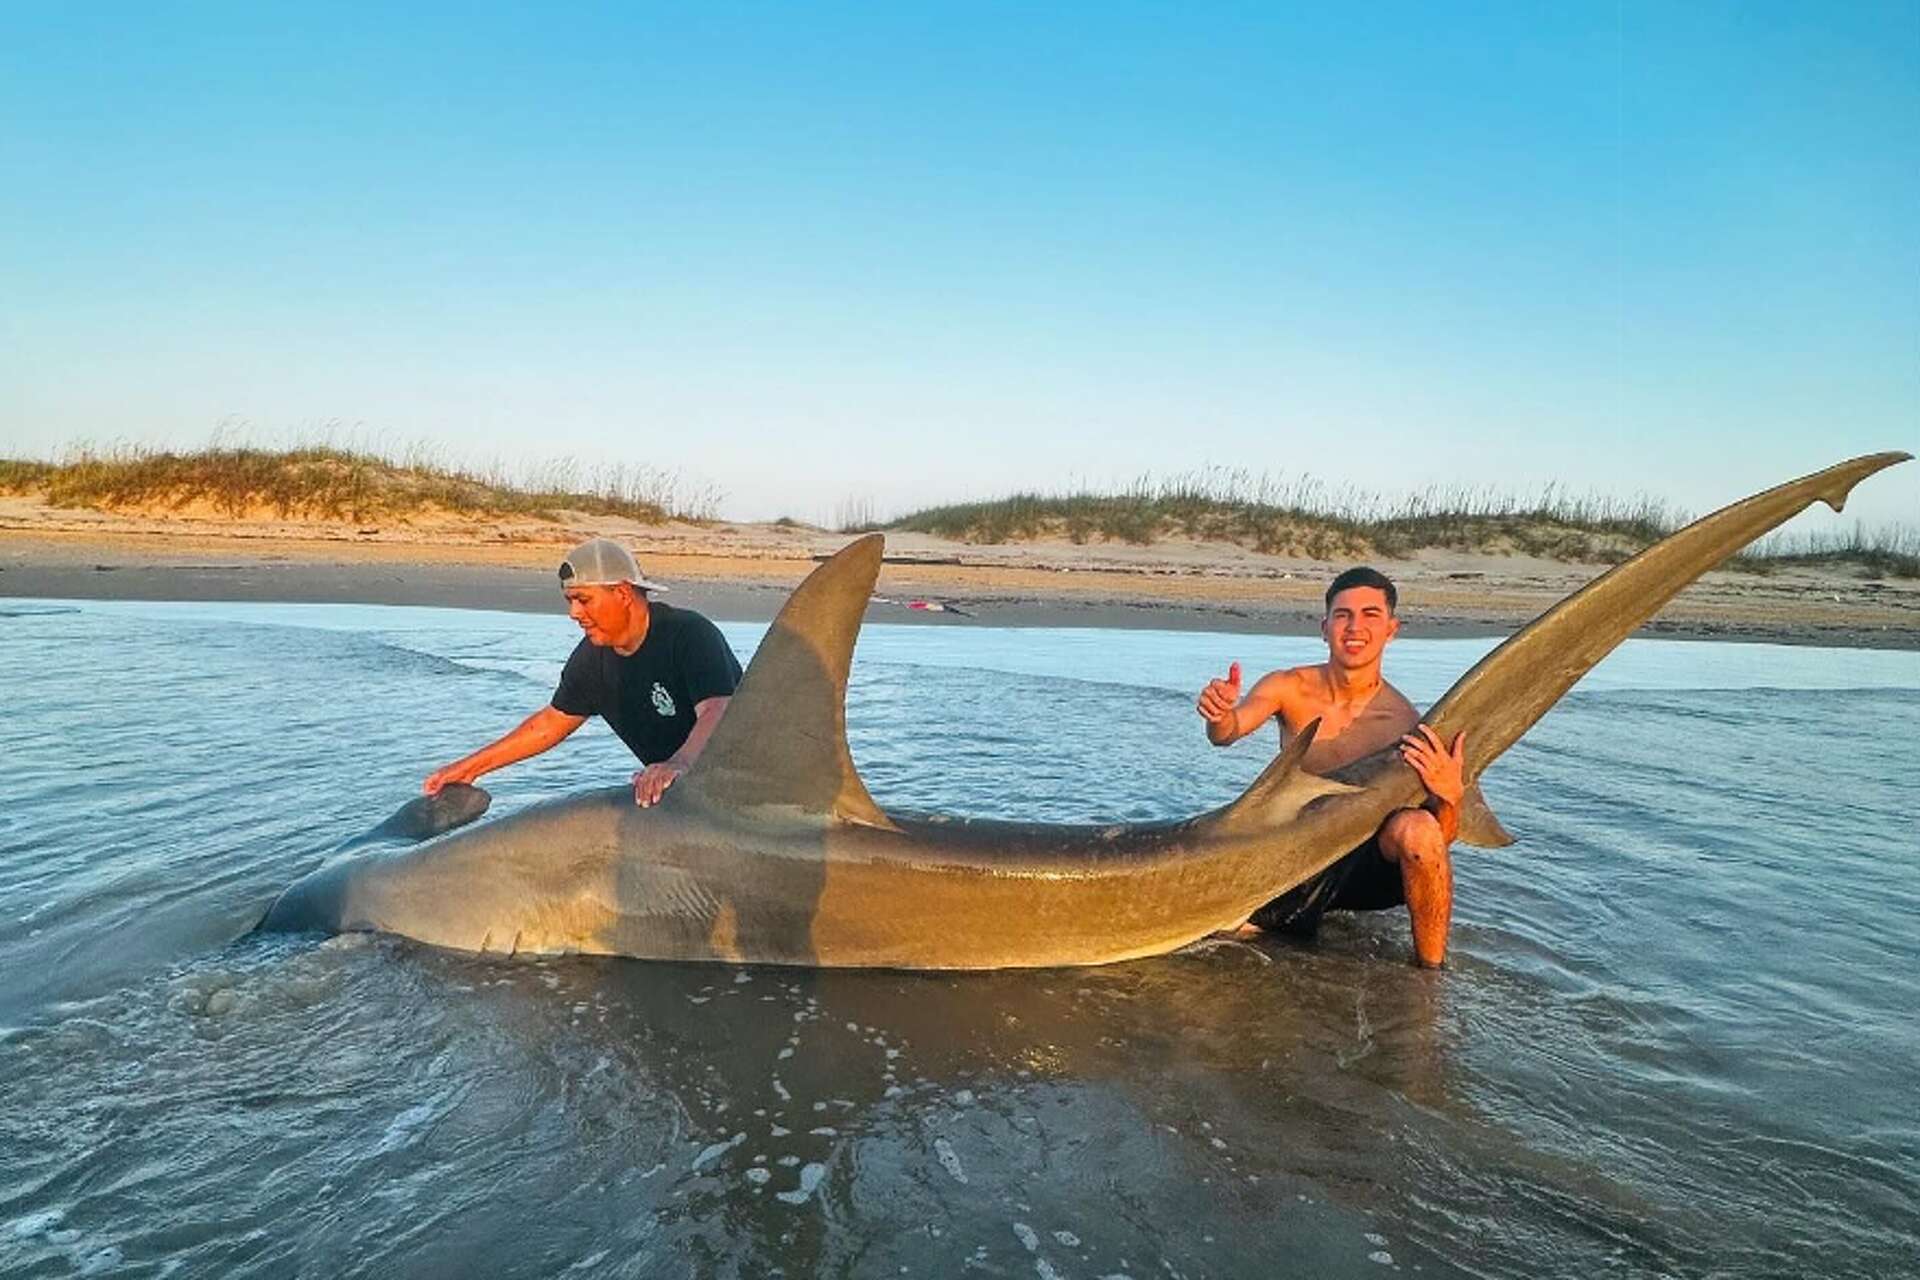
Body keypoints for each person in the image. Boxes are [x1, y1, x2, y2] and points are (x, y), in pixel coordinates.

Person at [1195, 566, 1465, 967]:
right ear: (1325, 627)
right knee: (1214, 942)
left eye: (1370, 615)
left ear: (1392, 628)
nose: (1355, 627)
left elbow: (1440, 839)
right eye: (1343, 615)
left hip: (1366, 864)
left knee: (1420, 830)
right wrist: (1220, 715)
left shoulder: (1405, 723)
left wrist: (1450, 798)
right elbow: (1228, 732)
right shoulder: (1288, 687)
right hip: (1297, 856)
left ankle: (1431, 973)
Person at [424, 538, 742, 808]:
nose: (574, 613)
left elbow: (718, 709)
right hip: (681, 799)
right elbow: (550, 725)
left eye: (583, 599)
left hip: (744, 784)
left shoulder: (687, 634)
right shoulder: (592, 660)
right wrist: (469, 769)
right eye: (570, 601)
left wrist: (678, 764)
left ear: (621, 593)